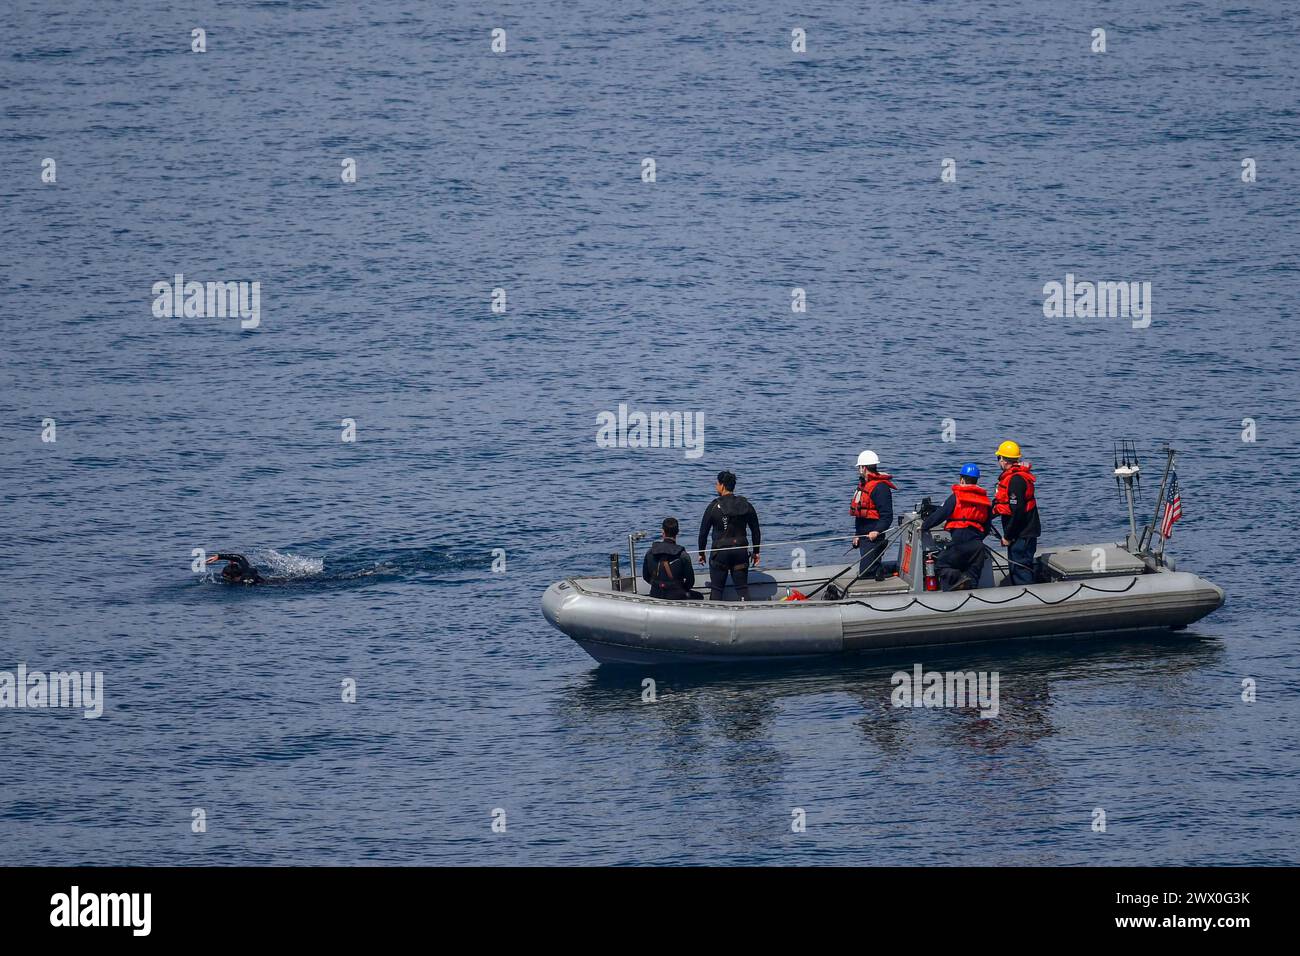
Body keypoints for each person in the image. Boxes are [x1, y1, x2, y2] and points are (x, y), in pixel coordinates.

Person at [921, 463, 992, 590]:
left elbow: (939, 516)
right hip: (977, 546)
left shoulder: (956, 498)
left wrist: (924, 526)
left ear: (962, 479)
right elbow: (987, 527)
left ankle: (958, 579)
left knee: (940, 564)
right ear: (976, 480)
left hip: (959, 545)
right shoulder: (985, 501)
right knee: (973, 574)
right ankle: (973, 593)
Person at [697, 470, 761, 601]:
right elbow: (756, 530)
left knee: (717, 589)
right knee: (742, 589)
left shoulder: (714, 507)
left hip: (720, 554)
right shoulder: (746, 505)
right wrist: (756, 552)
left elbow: (703, 532)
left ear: (722, 486)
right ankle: (748, 615)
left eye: (717, 484)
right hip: (740, 553)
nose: (716, 486)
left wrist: (701, 553)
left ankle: (715, 616)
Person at [993, 439, 1041, 586]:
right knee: (1017, 568)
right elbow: (1003, 506)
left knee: (1021, 569)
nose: (998, 461)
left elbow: (1017, 512)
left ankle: (1029, 600)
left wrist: (1008, 536)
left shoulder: (1015, 481)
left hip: (1022, 535)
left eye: (998, 458)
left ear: (1003, 460)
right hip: (1021, 534)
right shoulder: (1015, 478)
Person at [849, 450, 895, 581]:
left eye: (859, 467)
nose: (858, 469)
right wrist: (857, 534)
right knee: (865, 570)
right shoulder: (863, 485)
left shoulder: (880, 488)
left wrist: (877, 531)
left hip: (874, 537)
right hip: (863, 536)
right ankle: (876, 566)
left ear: (863, 468)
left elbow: (887, 516)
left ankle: (888, 569)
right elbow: (860, 515)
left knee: (866, 572)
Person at [642, 517, 696, 599]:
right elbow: (690, 582)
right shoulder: (683, 556)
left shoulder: (650, 552)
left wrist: (658, 586)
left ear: (662, 532)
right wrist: (680, 588)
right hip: (677, 595)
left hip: (655, 594)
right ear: (677, 532)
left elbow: (646, 576)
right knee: (699, 596)